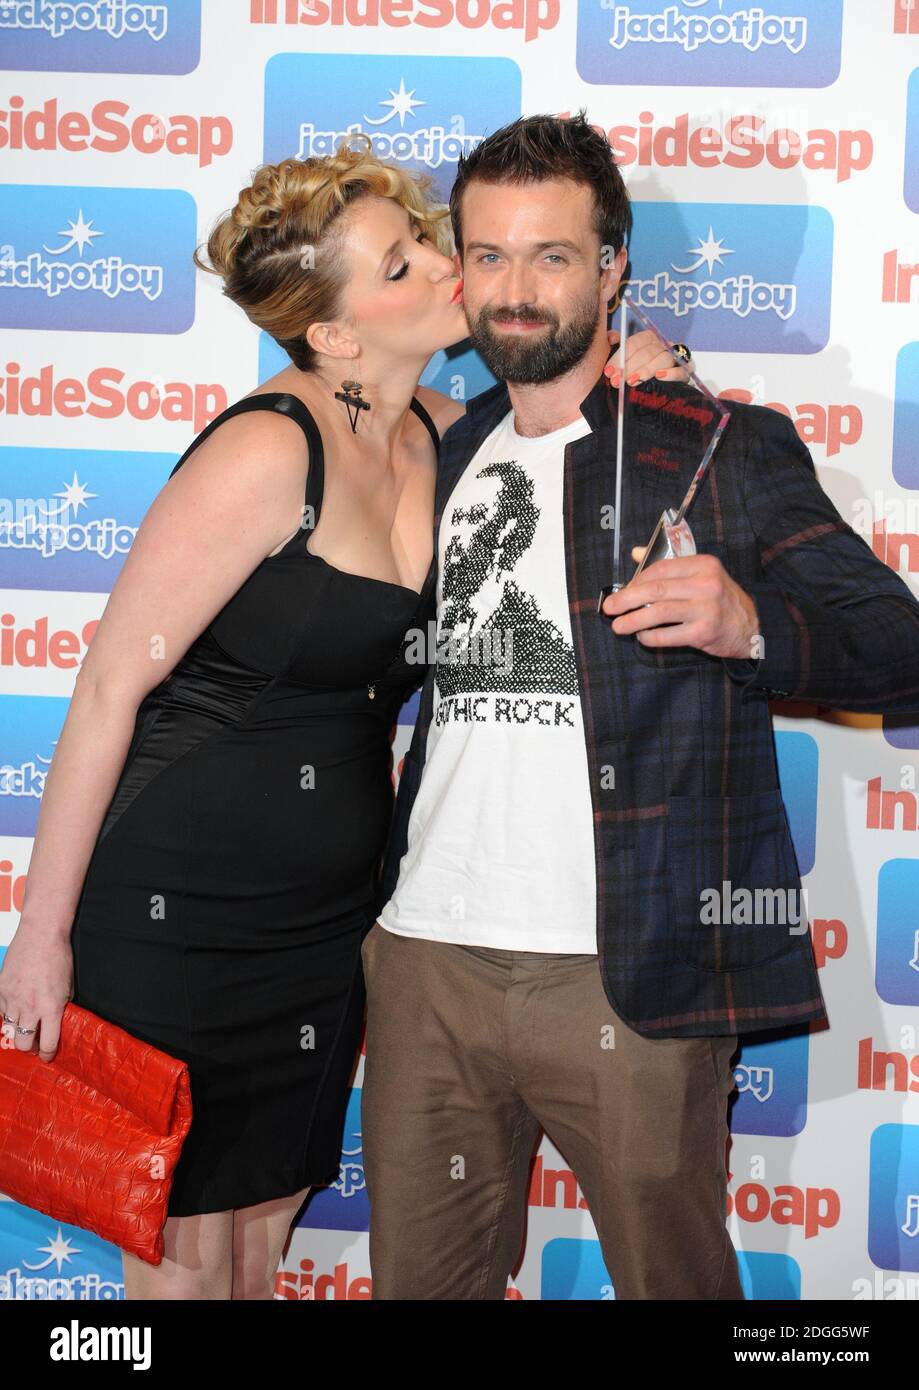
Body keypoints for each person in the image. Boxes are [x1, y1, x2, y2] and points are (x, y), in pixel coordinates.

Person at [0, 134, 687, 1300]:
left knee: (264, 1221)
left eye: (425, 240)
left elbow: (567, 398)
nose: (444, 267)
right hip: (179, 911)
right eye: (403, 262)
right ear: (331, 331)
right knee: (178, 1237)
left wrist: (649, 368)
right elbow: (112, 685)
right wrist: (40, 934)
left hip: (328, 922)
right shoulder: (269, 450)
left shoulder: (438, 430)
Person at [362, 110, 919, 1300]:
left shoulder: (717, 448)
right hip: (426, 966)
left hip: (629, 970)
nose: (515, 291)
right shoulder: (444, 451)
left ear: (612, 266)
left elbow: (897, 647)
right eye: (491, 256)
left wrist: (753, 624)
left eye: (552, 256)